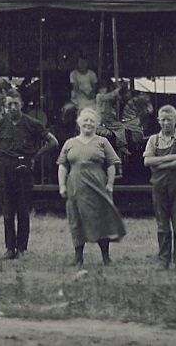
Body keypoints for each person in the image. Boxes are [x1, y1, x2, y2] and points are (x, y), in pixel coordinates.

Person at [0, 90, 58, 259]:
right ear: (5, 107)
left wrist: (35, 156)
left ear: (21, 104)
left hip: (24, 167)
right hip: (5, 167)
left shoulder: (31, 123)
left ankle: (22, 249)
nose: (12, 107)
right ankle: (9, 248)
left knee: (23, 210)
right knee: (7, 210)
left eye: (15, 103)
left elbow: (53, 142)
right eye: (9, 104)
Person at [58, 107, 126, 267]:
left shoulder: (102, 142)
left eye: (92, 121)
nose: (88, 123)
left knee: (100, 219)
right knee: (76, 219)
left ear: (97, 124)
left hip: (97, 186)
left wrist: (110, 184)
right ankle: (78, 257)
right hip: (75, 187)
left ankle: (106, 257)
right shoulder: (70, 143)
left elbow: (111, 164)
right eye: (85, 120)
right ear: (79, 123)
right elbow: (62, 165)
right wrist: (62, 186)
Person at [143, 104, 176, 270]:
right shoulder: (153, 140)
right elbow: (147, 161)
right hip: (158, 186)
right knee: (162, 224)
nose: (165, 123)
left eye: (169, 119)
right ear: (158, 120)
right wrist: (172, 158)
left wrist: (160, 164)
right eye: (162, 119)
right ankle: (163, 260)